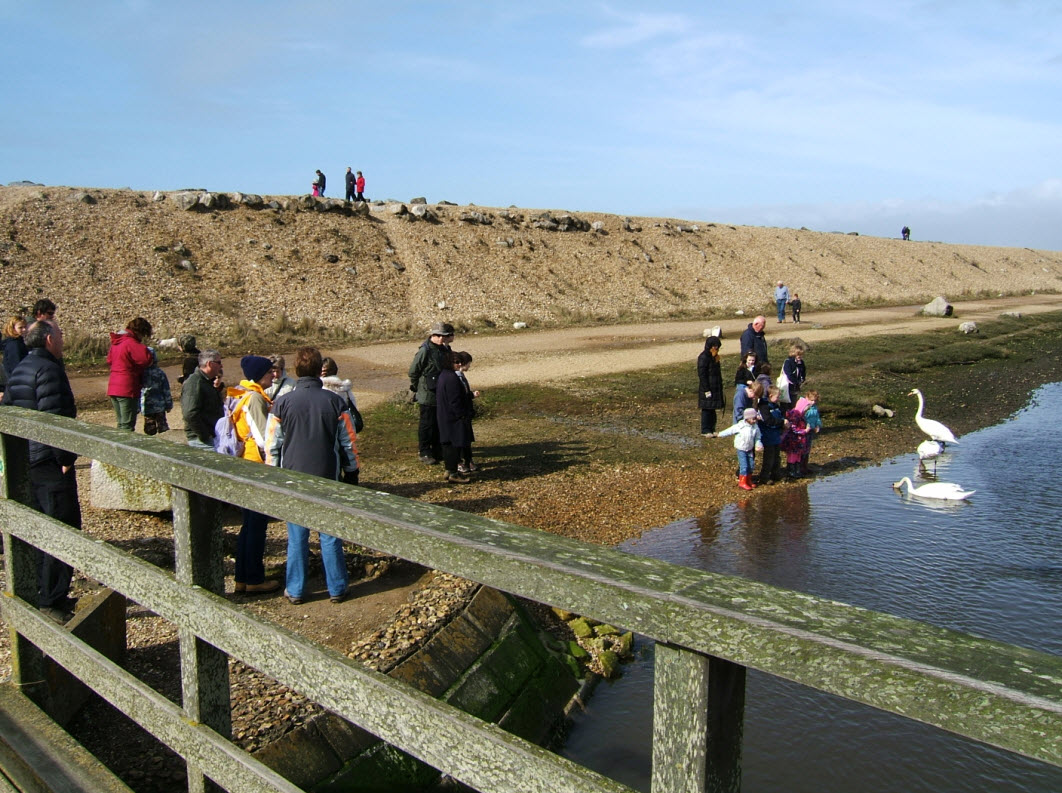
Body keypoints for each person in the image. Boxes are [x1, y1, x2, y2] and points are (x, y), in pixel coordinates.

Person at [0, 320, 81, 622]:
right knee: (62, 527)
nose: (63, 339)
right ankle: (52, 600)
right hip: (48, 461)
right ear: (49, 339)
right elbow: (55, 418)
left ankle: (37, 591)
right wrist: (65, 458)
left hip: (27, 461)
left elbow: (8, 410)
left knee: (36, 526)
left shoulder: (21, 367)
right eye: (60, 334)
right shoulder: (49, 370)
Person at [265, 346, 359, 604]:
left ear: (296, 370)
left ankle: (295, 589)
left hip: (294, 475)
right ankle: (337, 587)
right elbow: (348, 441)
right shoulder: (335, 402)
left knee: (297, 534)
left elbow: (272, 444)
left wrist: (272, 474)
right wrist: (352, 471)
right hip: (327, 472)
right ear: (320, 370)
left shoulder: (281, 403)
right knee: (329, 533)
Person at [230, 355, 281, 594]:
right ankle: (254, 579)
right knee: (257, 525)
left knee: (248, 524)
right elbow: (264, 438)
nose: (274, 374)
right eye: (269, 371)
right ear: (260, 374)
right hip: (256, 465)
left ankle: (242, 577)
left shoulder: (239, 394)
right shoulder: (255, 399)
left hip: (243, 463)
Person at [409, 321, 454, 464]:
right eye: (438, 336)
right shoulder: (425, 350)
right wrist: (419, 388)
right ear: (432, 335)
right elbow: (413, 372)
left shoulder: (445, 349)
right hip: (427, 395)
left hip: (441, 394)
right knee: (427, 424)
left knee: (438, 423)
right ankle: (424, 452)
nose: (441, 339)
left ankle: (437, 450)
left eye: (443, 336)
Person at [106, 317, 154, 430]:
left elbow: (109, 360)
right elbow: (145, 359)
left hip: (113, 386)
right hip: (127, 387)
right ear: (140, 332)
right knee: (127, 425)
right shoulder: (131, 343)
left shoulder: (117, 342)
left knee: (121, 423)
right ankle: (124, 447)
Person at [321, 356, 362, 481]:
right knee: (346, 454)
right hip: (345, 427)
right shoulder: (345, 388)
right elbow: (353, 406)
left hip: (327, 429)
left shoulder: (321, 388)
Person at [435, 351, 474, 483]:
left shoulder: (444, 375)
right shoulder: (451, 378)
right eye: (456, 362)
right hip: (453, 418)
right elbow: (455, 400)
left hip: (445, 416)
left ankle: (449, 470)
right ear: (450, 363)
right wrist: (462, 415)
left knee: (448, 444)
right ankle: (453, 473)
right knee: (454, 445)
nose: (459, 364)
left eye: (459, 362)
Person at [181, 350, 224, 449]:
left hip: (211, 437)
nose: (221, 366)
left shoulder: (206, 381)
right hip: (202, 441)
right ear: (209, 364)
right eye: (219, 363)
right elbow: (190, 413)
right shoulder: (194, 383)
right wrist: (205, 435)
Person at [717, 408, 763, 491]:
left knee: (751, 465)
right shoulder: (740, 426)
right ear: (747, 418)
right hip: (741, 449)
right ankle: (742, 482)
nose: (754, 421)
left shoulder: (755, 427)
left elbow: (758, 437)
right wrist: (720, 434)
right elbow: (730, 430)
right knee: (744, 466)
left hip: (749, 448)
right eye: (753, 419)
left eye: (755, 419)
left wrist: (758, 444)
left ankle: (748, 480)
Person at [454, 350, 480, 474]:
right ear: (462, 363)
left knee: (467, 439)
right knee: (460, 439)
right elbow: (459, 395)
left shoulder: (461, 376)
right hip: (460, 414)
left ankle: (468, 460)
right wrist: (470, 396)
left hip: (466, 413)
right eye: (469, 363)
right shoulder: (456, 378)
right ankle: (459, 462)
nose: (469, 366)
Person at [757, 385, 788, 485]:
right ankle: (764, 476)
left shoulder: (776, 406)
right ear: (771, 395)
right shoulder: (765, 406)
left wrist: (783, 425)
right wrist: (782, 423)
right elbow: (768, 421)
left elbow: (780, 417)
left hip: (776, 436)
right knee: (769, 457)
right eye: (777, 396)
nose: (779, 398)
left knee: (777, 456)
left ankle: (776, 473)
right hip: (768, 435)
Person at [140, 347, 173, 435]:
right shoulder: (160, 373)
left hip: (147, 405)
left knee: (150, 427)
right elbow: (166, 390)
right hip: (159, 406)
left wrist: (137, 406)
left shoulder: (141, 373)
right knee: (162, 426)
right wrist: (168, 404)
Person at [697, 336, 724, 437]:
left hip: (715, 386)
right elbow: (702, 374)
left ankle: (712, 428)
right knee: (707, 409)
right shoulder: (703, 357)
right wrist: (706, 389)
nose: (716, 349)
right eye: (714, 346)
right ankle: (705, 430)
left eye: (717, 347)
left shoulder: (715, 357)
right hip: (707, 388)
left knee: (713, 409)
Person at [795, 390, 823, 474]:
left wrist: (817, 425)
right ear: (807, 398)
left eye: (815, 400)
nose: (813, 402)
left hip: (811, 430)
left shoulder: (815, 408)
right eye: (811, 400)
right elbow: (800, 417)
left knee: (807, 448)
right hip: (804, 430)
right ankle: (799, 467)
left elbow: (817, 417)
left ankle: (805, 466)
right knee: (802, 448)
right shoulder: (804, 406)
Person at [780, 404, 810, 479]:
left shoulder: (801, 416)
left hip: (799, 440)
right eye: (805, 410)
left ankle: (797, 470)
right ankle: (791, 471)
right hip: (793, 440)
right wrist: (804, 431)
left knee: (798, 455)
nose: (806, 411)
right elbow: (793, 429)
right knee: (792, 456)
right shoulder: (794, 416)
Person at [2, 315, 29, 385]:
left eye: (25, 327)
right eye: (20, 327)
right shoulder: (14, 345)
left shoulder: (19, 342)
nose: (24, 330)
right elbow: (16, 365)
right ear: (13, 329)